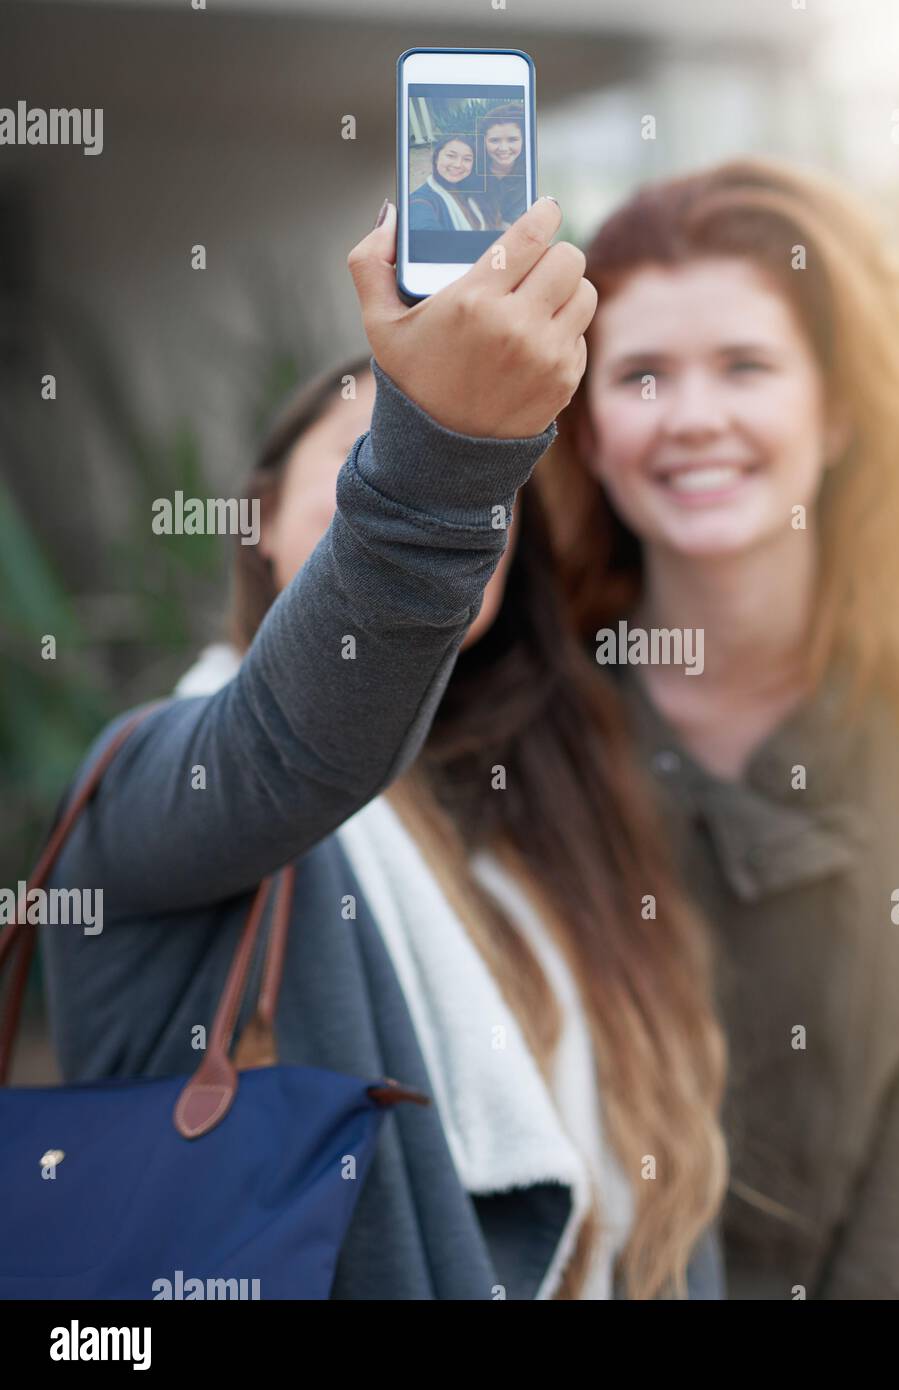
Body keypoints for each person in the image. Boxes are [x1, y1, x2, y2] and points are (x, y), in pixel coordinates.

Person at [40, 196, 727, 1300]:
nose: (425, 497)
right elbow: (297, 750)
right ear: (257, 517)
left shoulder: (535, 828)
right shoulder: (161, 779)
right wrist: (441, 451)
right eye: (368, 458)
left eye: (489, 494)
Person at [543, 158, 899, 1299]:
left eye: (744, 365)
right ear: (585, 432)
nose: (693, 418)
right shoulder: (540, 698)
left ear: (835, 410)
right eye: (639, 376)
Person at [409, 133, 490, 231]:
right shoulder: (420, 201)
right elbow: (423, 230)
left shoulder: (470, 190)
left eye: (467, 159)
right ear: (436, 158)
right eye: (451, 156)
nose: (458, 164)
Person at [479, 104, 528, 228]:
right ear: (483, 141)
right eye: (494, 140)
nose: (503, 149)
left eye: (512, 140)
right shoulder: (469, 169)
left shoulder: (530, 175)